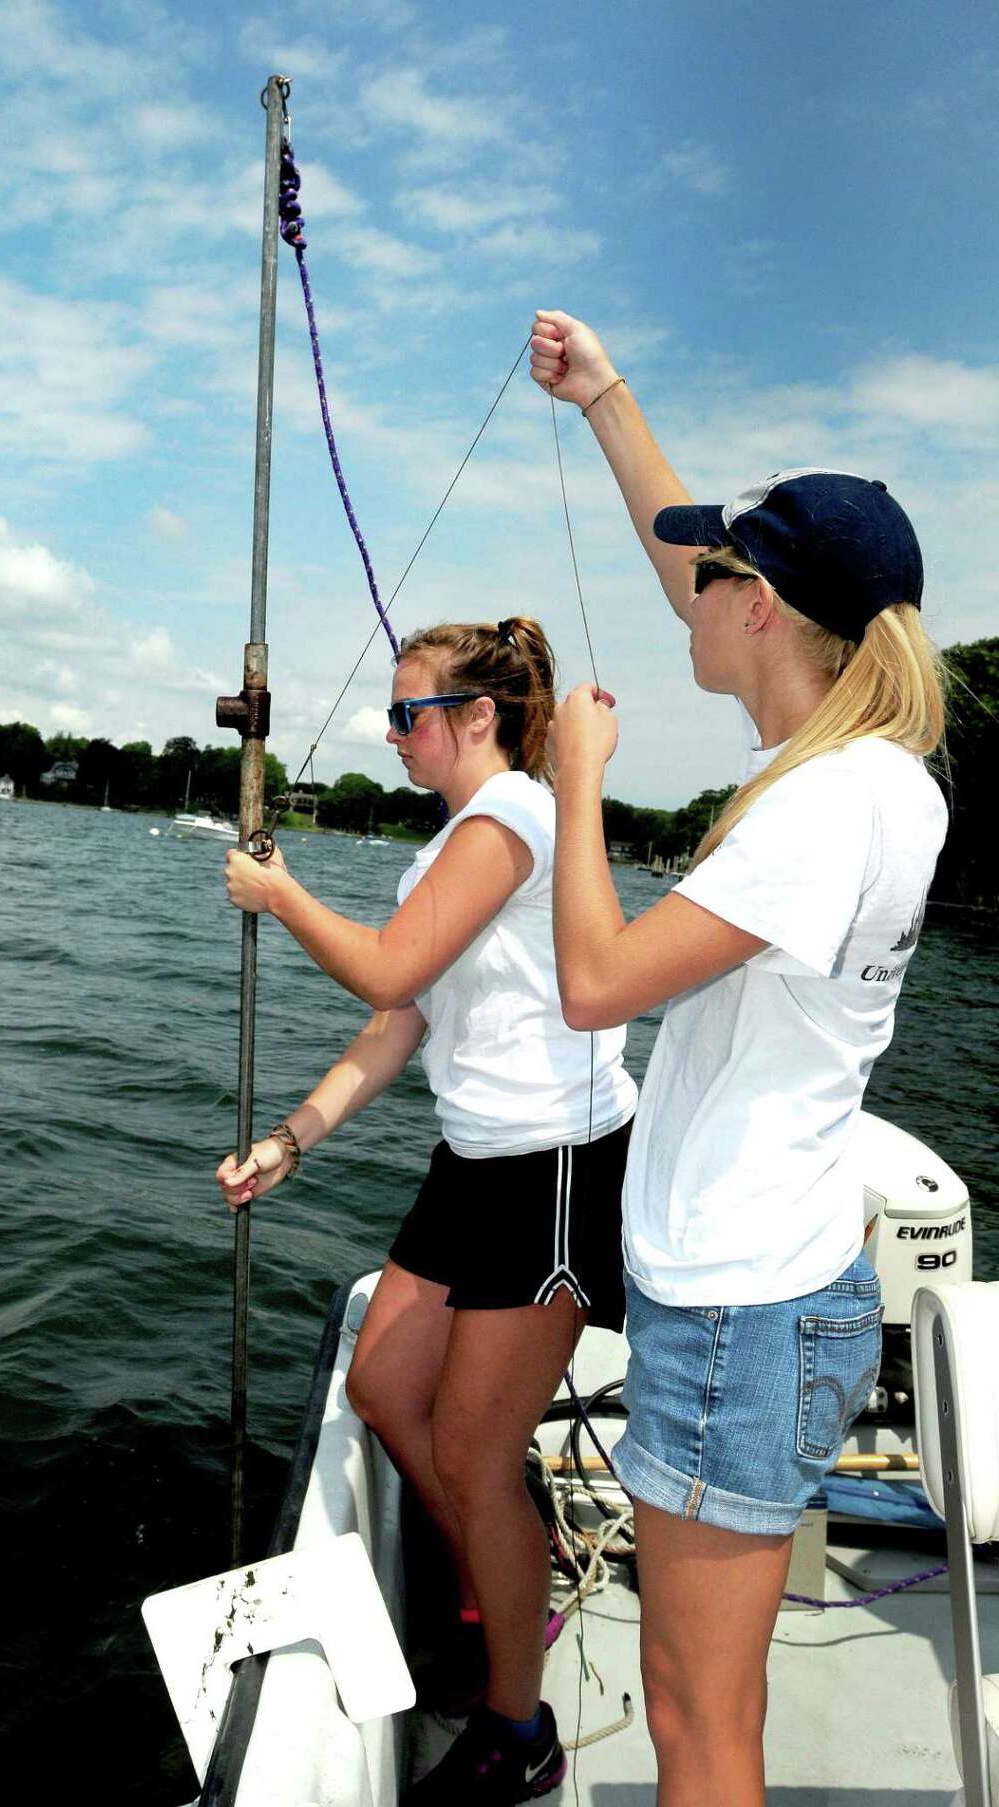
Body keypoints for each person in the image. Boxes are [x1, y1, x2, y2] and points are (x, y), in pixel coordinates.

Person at [530, 309, 947, 1807]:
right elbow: (685, 561)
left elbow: (593, 983)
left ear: (762, 609)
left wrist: (575, 779)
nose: (685, 592)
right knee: (720, 1703)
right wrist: (605, 398)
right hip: (785, 1282)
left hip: (733, 1317)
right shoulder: (879, 777)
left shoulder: (816, 811)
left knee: (700, 1729)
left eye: (716, 575)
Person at [217, 616, 636, 1803]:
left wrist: (281, 895)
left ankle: (519, 1724)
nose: (390, 731)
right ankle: (501, 1556)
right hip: (474, 1159)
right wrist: (294, 1137)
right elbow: (399, 1023)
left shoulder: (514, 818)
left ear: (474, 720)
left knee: (467, 1442)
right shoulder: (448, 850)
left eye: (406, 714)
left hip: (552, 1166)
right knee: (386, 1391)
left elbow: (391, 968)